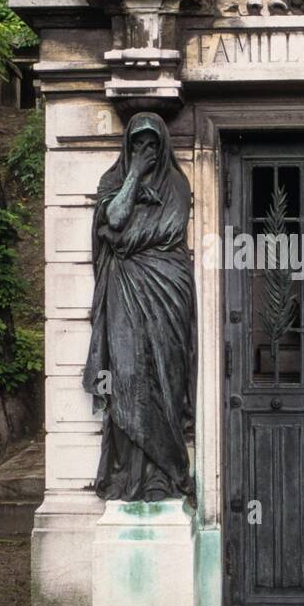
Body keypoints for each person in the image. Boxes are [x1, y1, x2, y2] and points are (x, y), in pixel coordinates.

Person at [83, 113, 196, 502]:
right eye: (137, 144)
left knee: (167, 379)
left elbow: (166, 231)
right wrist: (133, 177)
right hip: (124, 293)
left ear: (163, 146)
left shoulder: (176, 184)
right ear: (128, 147)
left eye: (152, 144)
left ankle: (162, 477)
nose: (145, 150)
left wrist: (124, 238)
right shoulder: (113, 183)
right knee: (126, 376)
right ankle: (127, 478)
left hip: (168, 292)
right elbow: (113, 219)